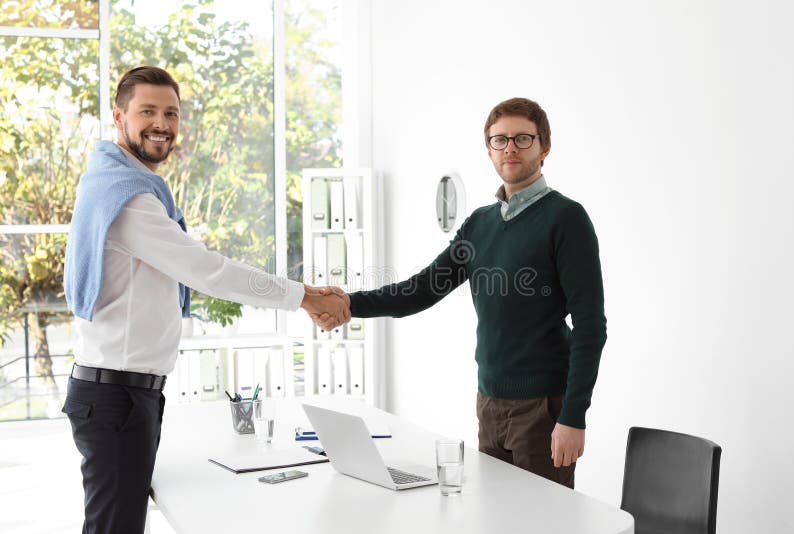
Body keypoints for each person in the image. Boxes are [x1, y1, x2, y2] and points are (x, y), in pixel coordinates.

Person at [62, 66, 348, 533]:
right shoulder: (129, 199)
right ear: (119, 116)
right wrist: (303, 297)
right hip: (117, 395)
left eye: (170, 113)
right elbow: (208, 271)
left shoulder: (118, 183)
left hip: (123, 392)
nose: (162, 123)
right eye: (148, 111)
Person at [323, 97, 606, 488]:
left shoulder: (566, 218)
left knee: (543, 524)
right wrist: (351, 303)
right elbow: (420, 290)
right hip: (489, 403)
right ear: (488, 149)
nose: (510, 148)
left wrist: (573, 416)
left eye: (523, 138)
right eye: (499, 140)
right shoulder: (479, 224)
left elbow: (591, 326)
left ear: (545, 147)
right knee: (494, 520)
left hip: (544, 407)